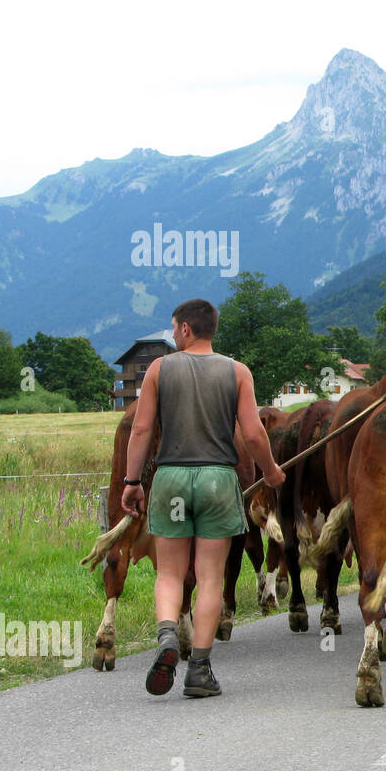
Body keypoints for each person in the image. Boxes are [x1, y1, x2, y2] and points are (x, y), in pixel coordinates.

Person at [121, 298, 285, 698]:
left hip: (172, 478)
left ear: (186, 330)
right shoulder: (238, 372)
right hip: (217, 479)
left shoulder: (159, 370)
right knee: (211, 575)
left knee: (170, 573)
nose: (174, 334)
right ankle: (199, 670)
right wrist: (270, 472)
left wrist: (132, 481)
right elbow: (251, 434)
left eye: (175, 328)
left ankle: (166, 637)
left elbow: (141, 431)